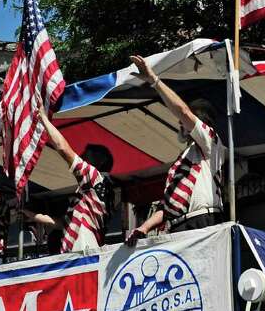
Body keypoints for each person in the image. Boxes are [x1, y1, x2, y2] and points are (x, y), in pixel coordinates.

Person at [125, 54, 225, 240]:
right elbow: (168, 205)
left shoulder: (210, 142)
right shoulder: (187, 157)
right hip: (179, 226)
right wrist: (144, 228)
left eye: (185, 121)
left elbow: (183, 111)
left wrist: (154, 80)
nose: (181, 123)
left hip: (202, 220)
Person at [35, 109, 115, 253]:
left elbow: (63, 149)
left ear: (99, 162)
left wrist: (43, 118)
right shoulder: (91, 194)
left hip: (81, 251)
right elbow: (61, 223)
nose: (82, 157)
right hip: (83, 252)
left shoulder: (94, 177)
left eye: (86, 156)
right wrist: (31, 214)